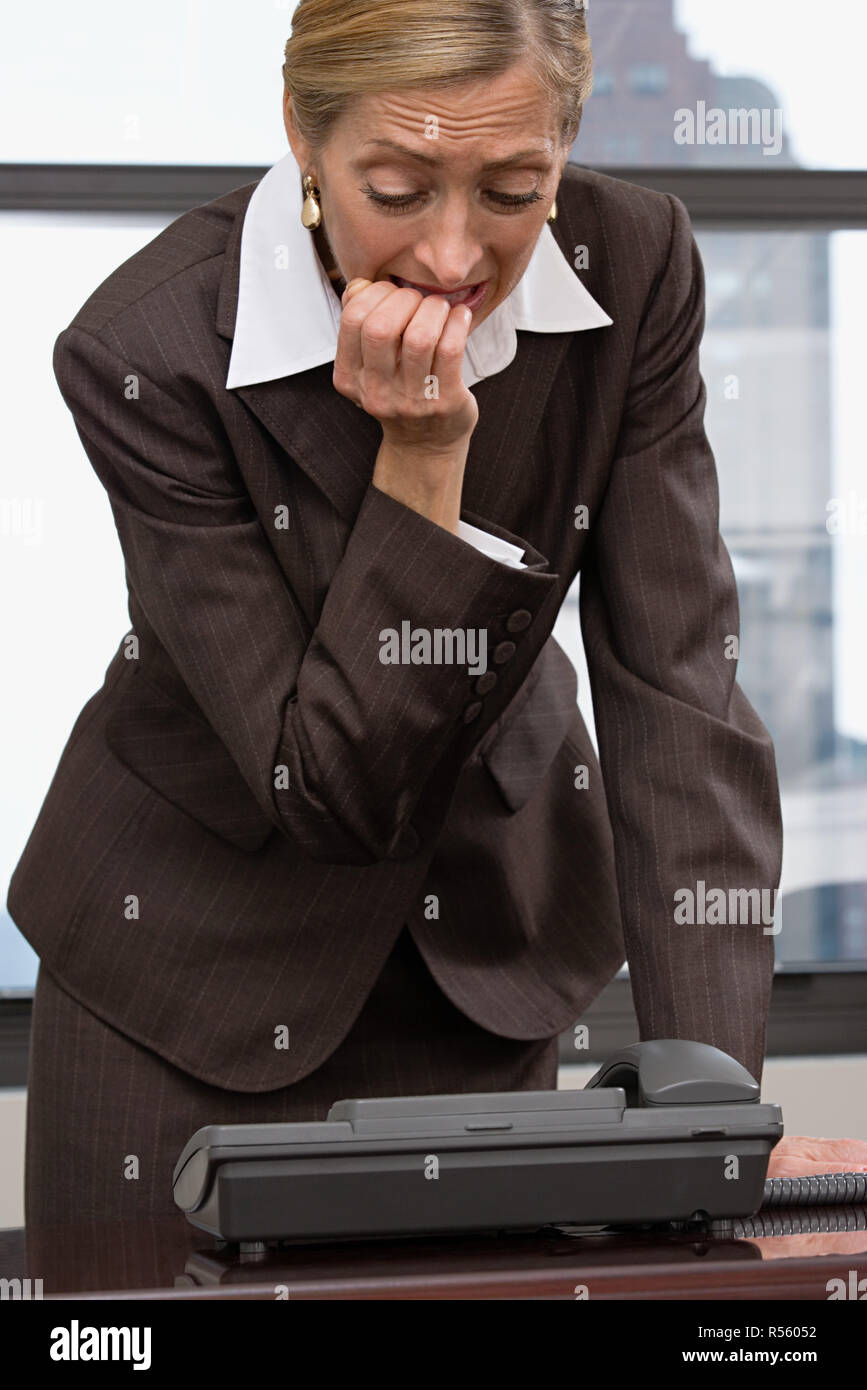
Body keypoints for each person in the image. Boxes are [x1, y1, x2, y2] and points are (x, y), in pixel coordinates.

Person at [14, 0, 847, 1234]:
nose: (455, 256)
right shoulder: (146, 350)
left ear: (564, 146)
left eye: (515, 189)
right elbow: (331, 788)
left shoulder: (638, 264)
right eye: (397, 189)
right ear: (302, 131)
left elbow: (681, 697)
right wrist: (421, 466)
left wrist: (709, 1118)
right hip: (186, 996)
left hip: (486, 984)